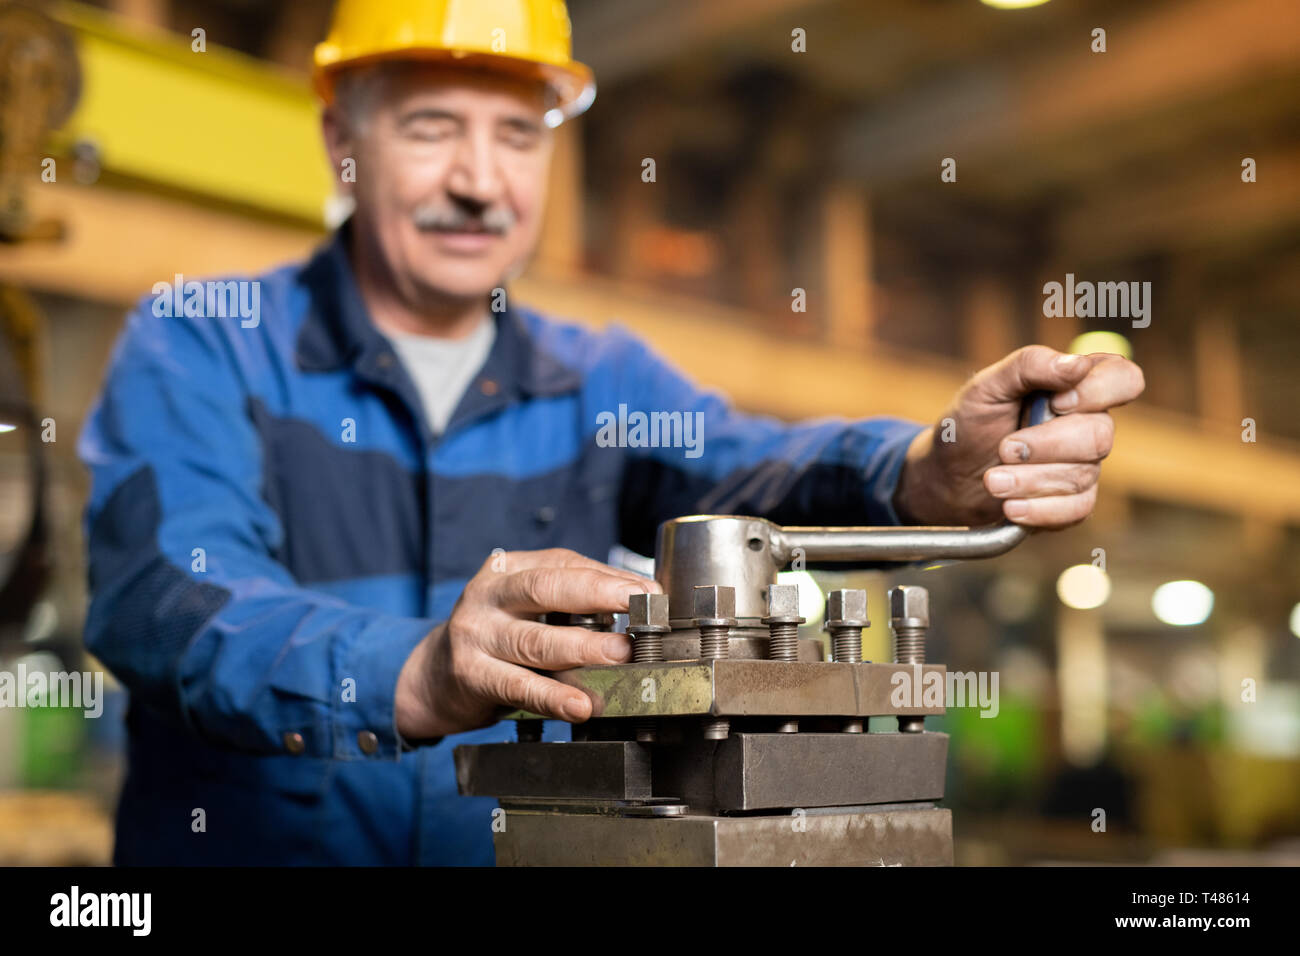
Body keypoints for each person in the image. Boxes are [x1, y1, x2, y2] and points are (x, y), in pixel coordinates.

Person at [78, 0, 1144, 865]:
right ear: (338, 141)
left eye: (516, 133)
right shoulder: (203, 345)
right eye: (429, 125)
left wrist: (922, 468)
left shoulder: (602, 380)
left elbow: (752, 468)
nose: (478, 179)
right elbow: (167, 603)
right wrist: (416, 670)